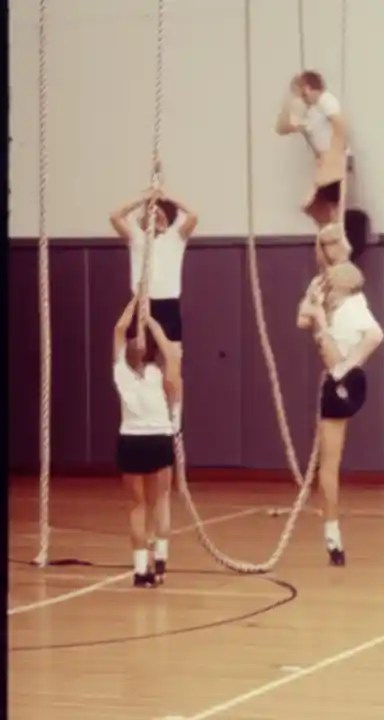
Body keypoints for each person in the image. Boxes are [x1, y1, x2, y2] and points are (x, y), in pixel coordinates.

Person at [296, 261, 384, 566]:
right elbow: (301, 321)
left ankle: (332, 535)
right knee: (327, 466)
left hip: (343, 380)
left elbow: (376, 335)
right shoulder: (341, 304)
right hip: (338, 378)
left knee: (328, 467)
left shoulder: (353, 307)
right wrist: (312, 299)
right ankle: (333, 537)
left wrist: (346, 367)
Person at [111, 295, 180, 588]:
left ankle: (142, 572)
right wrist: (151, 322)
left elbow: (118, 329)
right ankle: (159, 561)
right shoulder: (160, 373)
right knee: (160, 500)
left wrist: (133, 305)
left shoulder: (120, 373)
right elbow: (173, 354)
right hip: (158, 439)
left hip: (132, 442)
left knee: (137, 505)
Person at [108, 188, 199, 382]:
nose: (155, 215)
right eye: (151, 213)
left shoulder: (176, 237)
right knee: (137, 356)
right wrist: (143, 199)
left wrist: (168, 197)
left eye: (159, 213)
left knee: (171, 357)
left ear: (166, 219)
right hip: (142, 302)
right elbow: (115, 216)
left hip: (168, 303)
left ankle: (170, 406)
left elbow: (193, 216)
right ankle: (141, 398)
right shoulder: (136, 238)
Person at [275, 71, 350, 228]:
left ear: (307, 88)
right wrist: (289, 103)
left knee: (329, 208)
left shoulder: (326, 100)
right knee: (314, 207)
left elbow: (340, 124)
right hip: (324, 162)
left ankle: (335, 239)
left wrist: (333, 156)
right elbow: (282, 128)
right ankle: (329, 236)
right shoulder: (309, 112)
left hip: (334, 160)